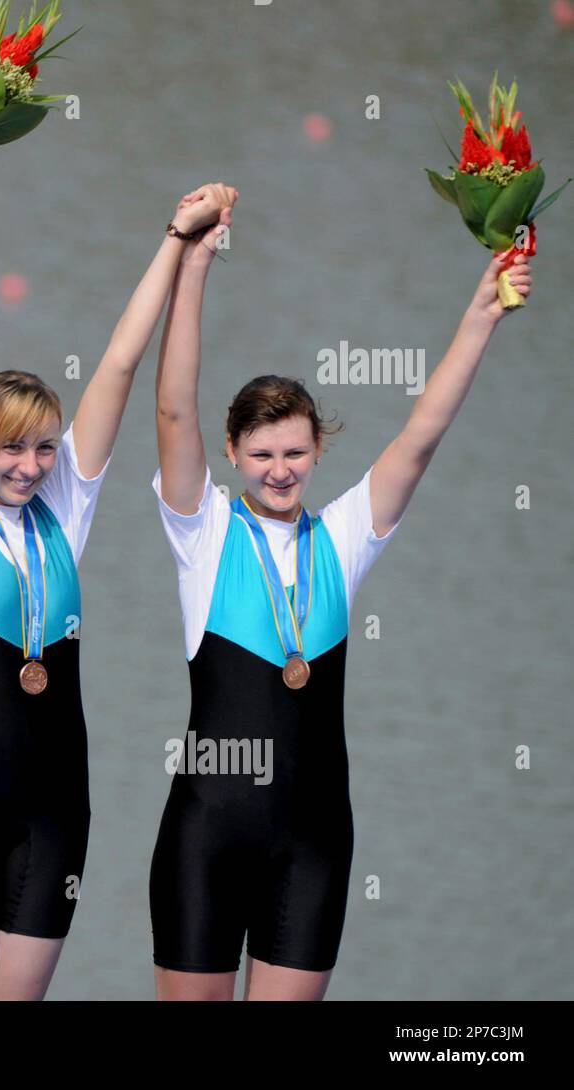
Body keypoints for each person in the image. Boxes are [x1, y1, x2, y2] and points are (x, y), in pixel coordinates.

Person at [149, 208, 534, 1000]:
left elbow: (422, 434)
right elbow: (174, 410)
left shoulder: (347, 535)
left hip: (314, 842)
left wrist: (483, 311)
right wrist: (194, 266)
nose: (280, 470)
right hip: (206, 839)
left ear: (318, 448)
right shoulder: (203, 533)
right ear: (233, 455)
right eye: (261, 455)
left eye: (295, 452)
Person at [0, 127, 237, 1000]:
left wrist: (176, 239)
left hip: (54, 818)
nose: (29, 466)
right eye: (10, 449)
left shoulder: (64, 515)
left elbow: (119, 362)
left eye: (44, 449)